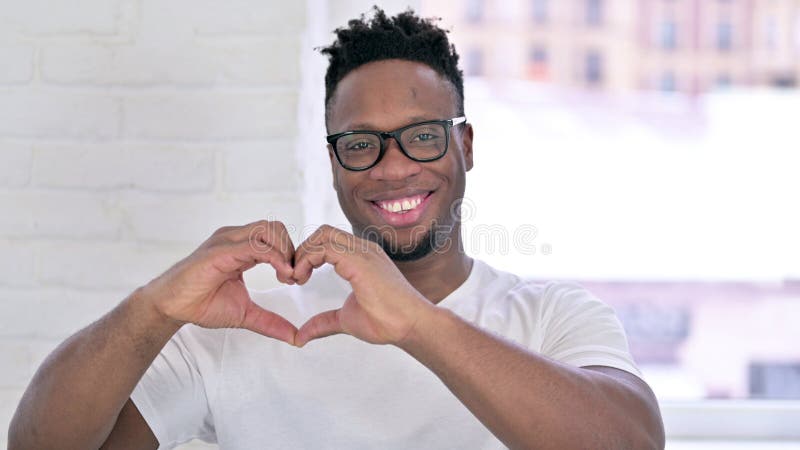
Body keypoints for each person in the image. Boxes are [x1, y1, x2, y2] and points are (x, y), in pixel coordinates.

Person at [9, 7, 665, 450]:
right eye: (362, 145)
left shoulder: (552, 318)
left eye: (423, 138)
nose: (395, 168)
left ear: (465, 144)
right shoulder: (248, 325)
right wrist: (152, 310)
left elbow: (632, 441)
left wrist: (417, 323)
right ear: (333, 161)